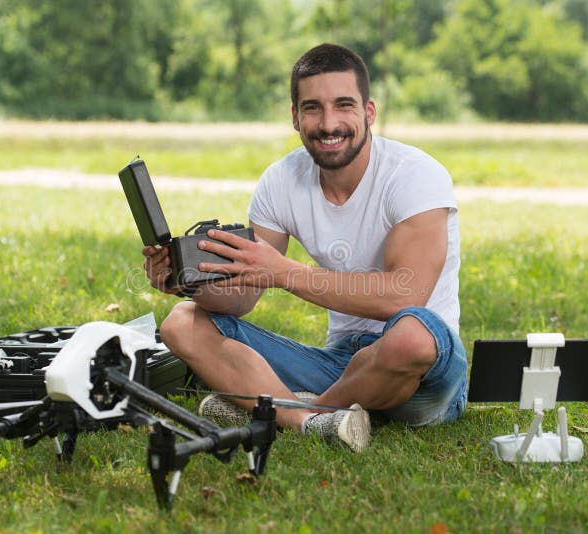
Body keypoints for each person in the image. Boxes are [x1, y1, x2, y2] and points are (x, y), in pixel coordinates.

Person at [143, 43, 467, 452]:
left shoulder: (416, 175)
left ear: (369, 113)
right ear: (295, 117)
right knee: (180, 322)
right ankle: (310, 422)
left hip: (424, 374)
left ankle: (283, 408)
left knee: (411, 336)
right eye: (312, 108)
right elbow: (243, 297)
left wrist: (284, 272)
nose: (329, 123)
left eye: (343, 106)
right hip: (339, 365)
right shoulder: (281, 181)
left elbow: (405, 295)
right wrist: (188, 281)